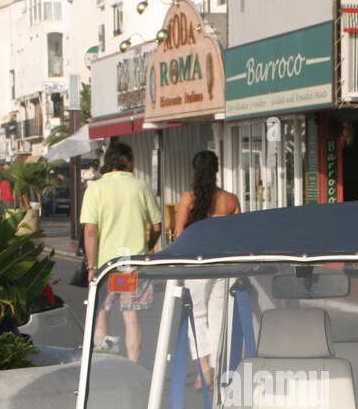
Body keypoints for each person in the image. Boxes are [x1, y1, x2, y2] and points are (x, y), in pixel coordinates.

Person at [80, 141, 161, 361]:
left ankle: (106, 365)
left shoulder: (95, 189)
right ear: (126, 161)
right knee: (131, 317)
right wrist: (148, 245)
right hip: (133, 265)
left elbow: (90, 230)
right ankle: (133, 365)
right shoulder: (140, 187)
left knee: (102, 314)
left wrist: (91, 266)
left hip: (106, 267)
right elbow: (157, 226)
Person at [174, 150, 240, 387]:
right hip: (223, 265)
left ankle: (204, 369)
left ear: (195, 171)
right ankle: (216, 365)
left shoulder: (188, 199)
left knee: (197, 316)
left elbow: (179, 234)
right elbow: (239, 236)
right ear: (216, 170)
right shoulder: (230, 200)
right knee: (218, 315)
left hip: (197, 264)